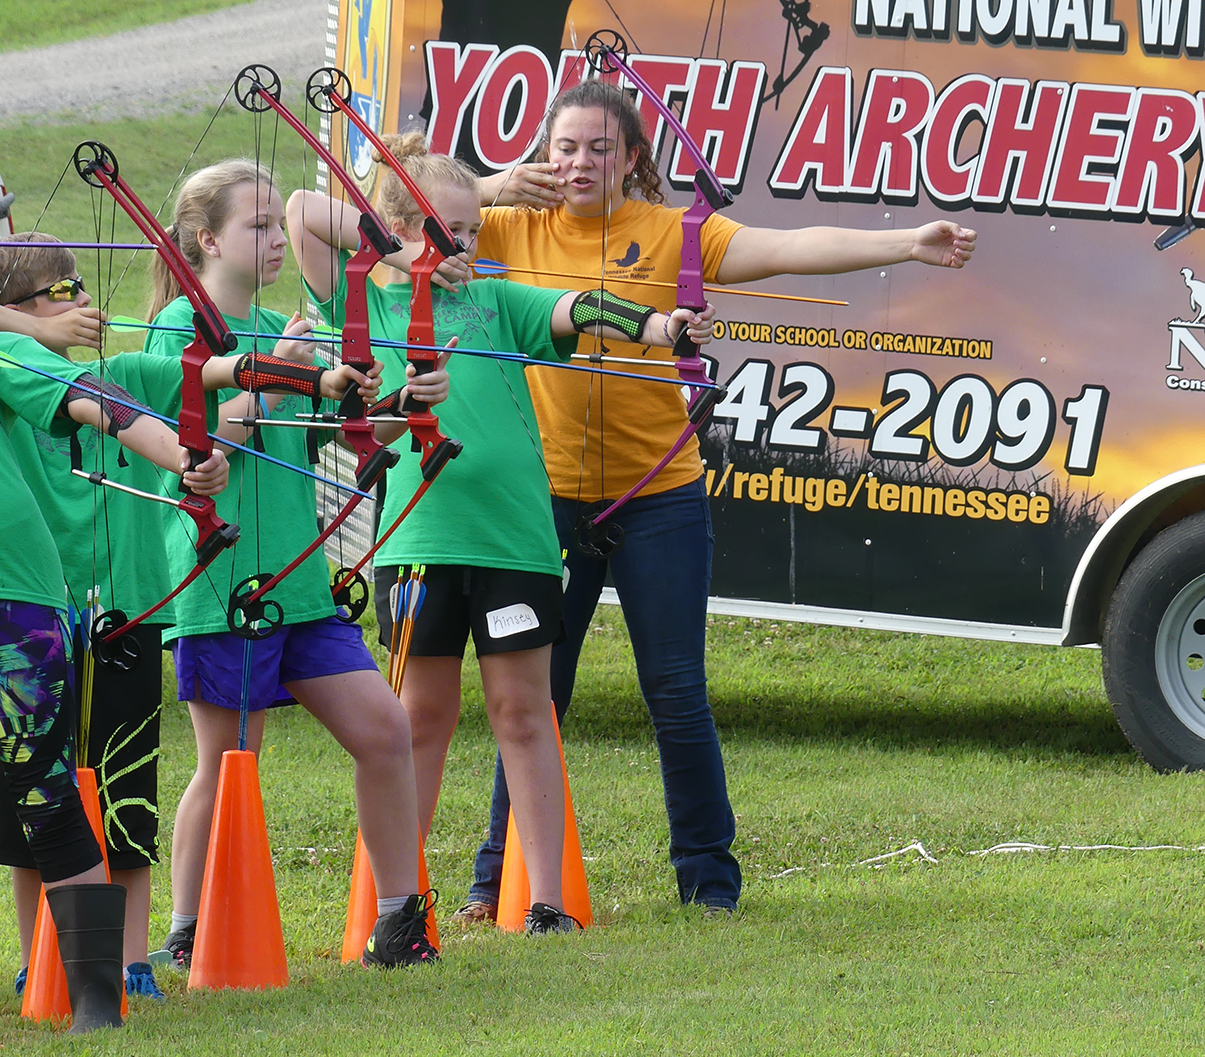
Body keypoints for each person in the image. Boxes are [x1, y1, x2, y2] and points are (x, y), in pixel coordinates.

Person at [428, 79, 977, 918]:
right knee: (534, 699)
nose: (580, 164)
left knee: (676, 690)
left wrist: (907, 240)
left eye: (600, 149)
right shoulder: (503, 225)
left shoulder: (672, 231)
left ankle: (709, 882)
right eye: (564, 147)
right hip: (547, 503)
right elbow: (364, 213)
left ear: (633, 159)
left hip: (659, 498)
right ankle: (493, 880)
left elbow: (790, 246)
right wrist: (497, 186)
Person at [287, 132, 715, 933]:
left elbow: (578, 308)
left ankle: (547, 899)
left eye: (473, 233)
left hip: (514, 538)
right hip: (420, 542)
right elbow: (301, 212)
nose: (463, 247)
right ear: (395, 227)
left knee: (524, 713)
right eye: (446, 230)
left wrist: (661, 328)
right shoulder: (368, 301)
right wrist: (403, 247)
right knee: (419, 718)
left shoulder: (496, 299)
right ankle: (398, 906)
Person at [0, 230, 393, 997]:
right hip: (49, 607)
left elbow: (218, 369)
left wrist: (316, 375)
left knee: (121, 786)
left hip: (126, 606)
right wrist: (29, 331)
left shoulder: (123, 368)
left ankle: (131, 960)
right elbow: (86, 399)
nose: (85, 302)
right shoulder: (23, 367)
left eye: (84, 286)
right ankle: (37, 959)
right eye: (62, 292)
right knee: (33, 799)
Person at [144, 159, 449, 969]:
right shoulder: (180, 327)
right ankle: (187, 928)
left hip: (300, 586)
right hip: (226, 582)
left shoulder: (287, 330)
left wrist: (404, 410)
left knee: (385, 732)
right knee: (228, 759)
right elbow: (206, 440)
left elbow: (342, 441)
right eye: (258, 227)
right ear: (206, 239)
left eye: (281, 225)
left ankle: (395, 921)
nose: (277, 240)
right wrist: (283, 368)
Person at [0, 322, 228, 1030]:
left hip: (14, 596)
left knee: (43, 790)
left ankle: (97, 1000)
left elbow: (97, 398)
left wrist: (184, 459)